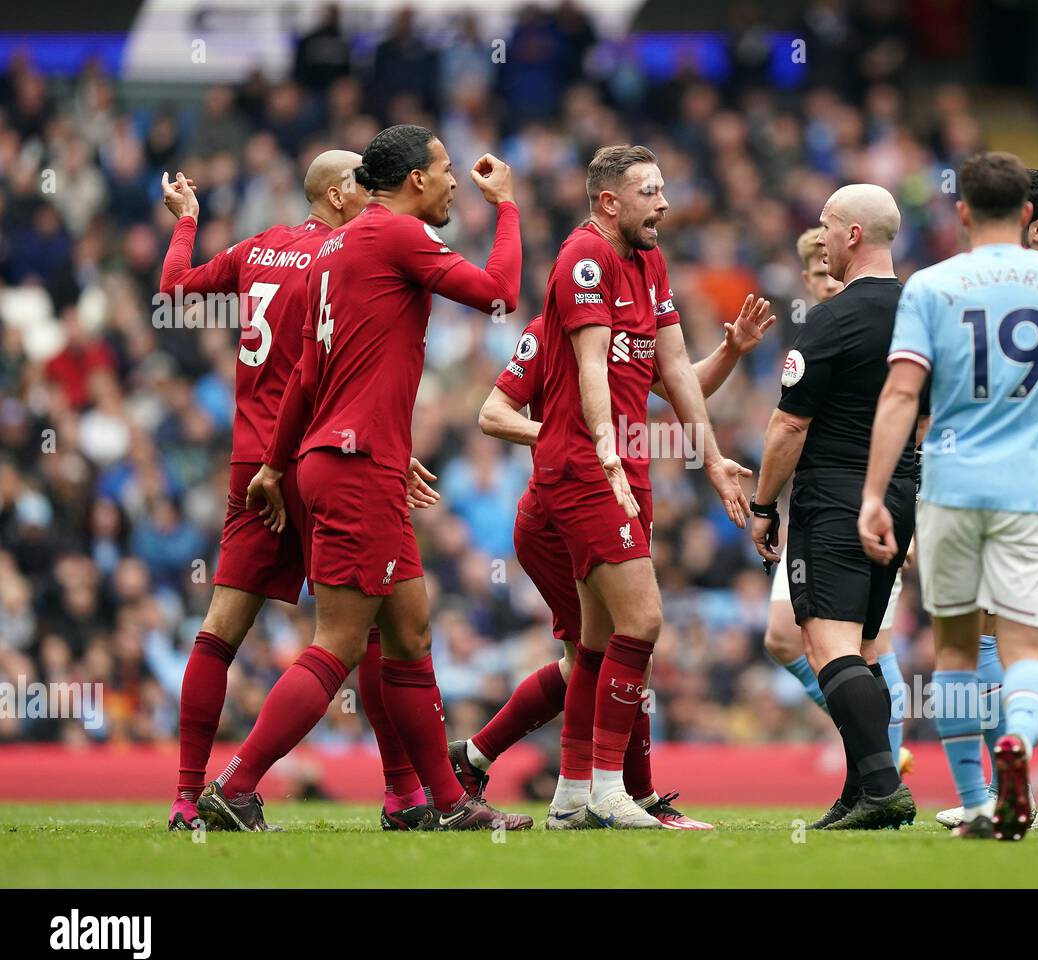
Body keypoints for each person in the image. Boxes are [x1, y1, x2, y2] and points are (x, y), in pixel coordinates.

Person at [197, 124, 529, 832]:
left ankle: (445, 803)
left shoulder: (335, 250)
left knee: (409, 634)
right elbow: (500, 290)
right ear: (415, 179)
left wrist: (275, 464)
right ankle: (237, 784)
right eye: (445, 171)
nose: (452, 183)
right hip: (356, 465)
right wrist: (507, 206)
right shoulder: (395, 235)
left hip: (340, 458)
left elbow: (305, 377)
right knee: (340, 643)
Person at [858, 152, 1038, 841]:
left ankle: (978, 800)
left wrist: (876, 493)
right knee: (1035, 647)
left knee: (958, 651)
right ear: (1027, 216)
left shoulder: (931, 285)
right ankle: (1025, 751)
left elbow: (902, 394)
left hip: (952, 486)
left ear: (961, 210)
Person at [156, 150, 408, 830]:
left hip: (250, 466)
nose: (376, 191)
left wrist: (188, 220)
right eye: (363, 181)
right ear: (333, 194)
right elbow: (343, 364)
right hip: (322, 458)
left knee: (219, 633)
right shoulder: (351, 257)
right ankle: (400, 793)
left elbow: (174, 285)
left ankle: (185, 798)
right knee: (374, 630)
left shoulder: (257, 248)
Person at [458, 294, 773, 829]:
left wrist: (730, 350)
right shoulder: (555, 328)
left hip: (607, 503)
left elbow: (677, 385)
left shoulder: (625, 326)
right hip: (557, 514)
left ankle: (488, 764)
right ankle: (620, 794)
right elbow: (492, 413)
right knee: (618, 646)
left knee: (599, 654)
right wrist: (567, 439)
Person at [530, 144, 751, 829]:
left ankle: (571, 792)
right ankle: (608, 787)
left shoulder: (648, 260)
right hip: (590, 464)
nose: (663, 203)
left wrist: (710, 458)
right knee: (644, 620)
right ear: (608, 202)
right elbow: (592, 364)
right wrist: (605, 450)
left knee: (596, 638)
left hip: (631, 462)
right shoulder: (584, 259)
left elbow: (677, 367)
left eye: (663, 189)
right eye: (650, 192)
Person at [936, 168, 1038, 831]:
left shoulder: (1025, 292)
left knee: (981, 635)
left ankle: (999, 794)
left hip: (1029, 489)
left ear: (1037, 226)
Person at [751, 186, 920, 831]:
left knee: (828, 646)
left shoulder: (831, 319)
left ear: (853, 235)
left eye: (825, 227)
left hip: (835, 499)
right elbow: (927, 419)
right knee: (867, 648)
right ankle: (859, 789)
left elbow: (790, 426)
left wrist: (765, 504)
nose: (818, 238)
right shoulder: (922, 313)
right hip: (898, 494)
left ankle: (881, 786)